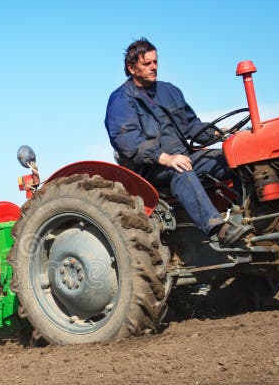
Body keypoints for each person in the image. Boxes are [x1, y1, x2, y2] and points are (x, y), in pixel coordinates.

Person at [104, 38, 252, 246]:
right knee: (181, 170)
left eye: (155, 62)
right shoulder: (121, 100)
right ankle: (218, 229)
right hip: (151, 167)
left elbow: (191, 126)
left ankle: (252, 213)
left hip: (184, 156)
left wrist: (221, 133)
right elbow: (127, 140)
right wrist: (165, 158)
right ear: (132, 68)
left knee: (232, 158)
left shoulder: (169, 91)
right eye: (147, 63)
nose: (154, 67)